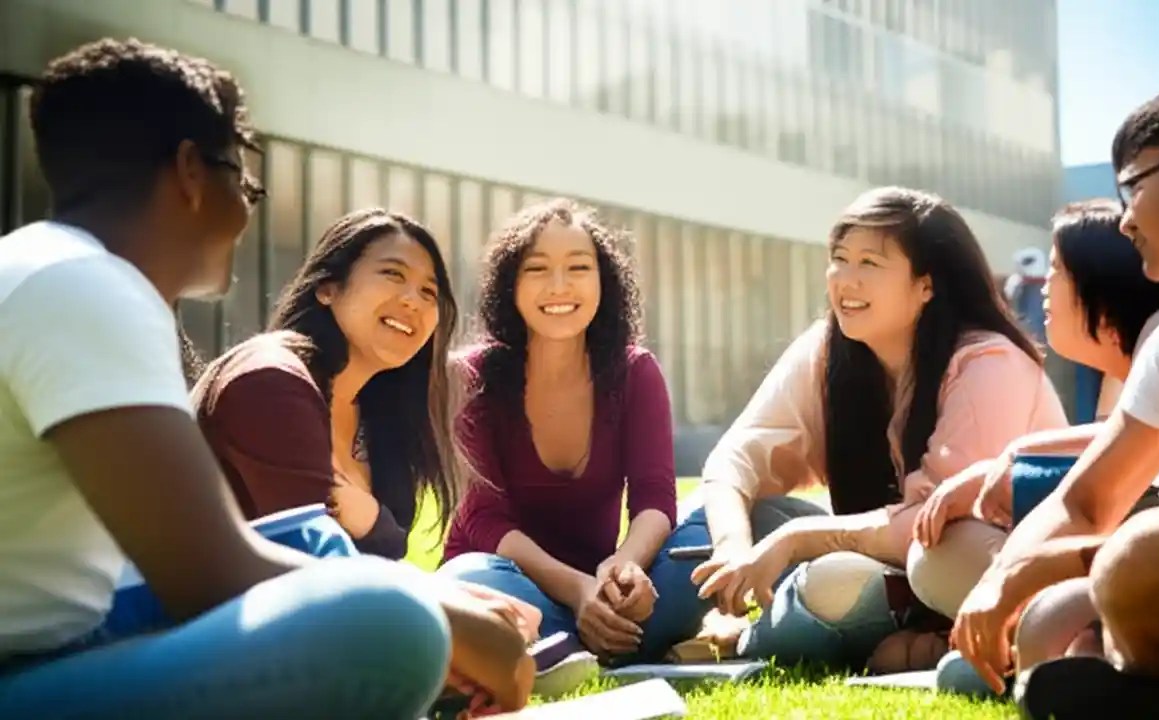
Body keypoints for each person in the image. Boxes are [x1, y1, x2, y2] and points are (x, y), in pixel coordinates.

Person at [0, 39, 532, 719]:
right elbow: (207, 576)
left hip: (71, 632)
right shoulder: (85, 287)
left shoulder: (60, 269)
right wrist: (445, 614)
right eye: (244, 182)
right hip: (25, 671)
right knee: (387, 626)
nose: (247, 210)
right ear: (193, 172)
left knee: (314, 541)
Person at [951, 68, 1159, 718]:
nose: (1125, 220)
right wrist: (1000, 589)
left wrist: (1069, 563)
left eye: (1130, 185)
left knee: (1144, 559)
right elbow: (1089, 499)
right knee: (1047, 620)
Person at [674, 186, 1068, 670]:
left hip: (977, 564)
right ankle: (647, 627)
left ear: (926, 285)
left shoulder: (989, 363)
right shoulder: (828, 349)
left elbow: (932, 522)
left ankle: (751, 636)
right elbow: (739, 457)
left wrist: (796, 539)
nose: (846, 280)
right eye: (839, 259)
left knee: (831, 581)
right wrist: (734, 548)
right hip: (888, 567)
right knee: (721, 511)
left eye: (870, 264)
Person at [908, 200, 1159, 695]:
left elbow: (1106, 476)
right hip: (1155, 557)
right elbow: (1110, 452)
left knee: (956, 569)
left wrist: (1011, 471)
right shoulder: (1158, 348)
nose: (1044, 287)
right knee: (949, 565)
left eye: (1056, 270)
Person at [437, 198, 694, 663]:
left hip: (602, 584)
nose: (559, 286)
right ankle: (608, 640)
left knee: (702, 541)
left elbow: (655, 497)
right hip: (508, 582)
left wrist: (625, 567)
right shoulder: (468, 377)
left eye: (578, 267)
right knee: (469, 582)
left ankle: (577, 643)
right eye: (537, 270)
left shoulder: (636, 372)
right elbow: (483, 520)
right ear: (510, 286)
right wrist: (578, 592)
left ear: (604, 281)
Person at [193, 207, 461, 560]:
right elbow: (319, 556)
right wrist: (378, 526)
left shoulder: (380, 416)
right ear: (327, 288)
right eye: (393, 274)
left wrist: (374, 523)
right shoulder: (271, 380)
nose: (414, 300)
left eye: (429, 292)